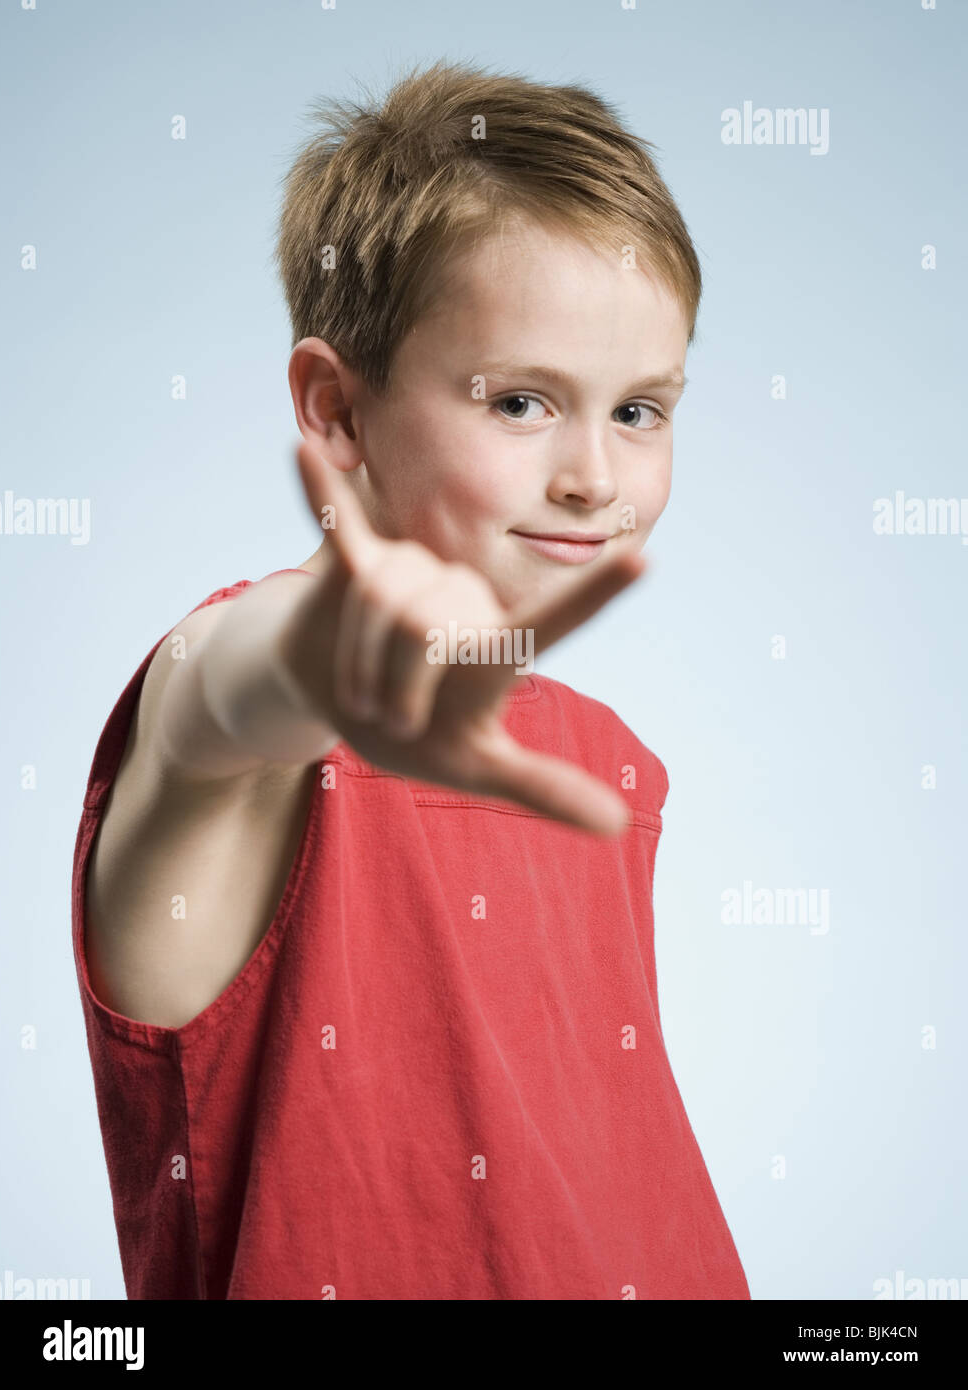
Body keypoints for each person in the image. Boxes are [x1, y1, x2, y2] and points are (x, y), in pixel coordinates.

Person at [72, 59, 750, 1300]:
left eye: (643, 410)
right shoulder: (250, 709)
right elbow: (227, 691)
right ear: (335, 413)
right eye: (522, 401)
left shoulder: (610, 759)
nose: (597, 476)